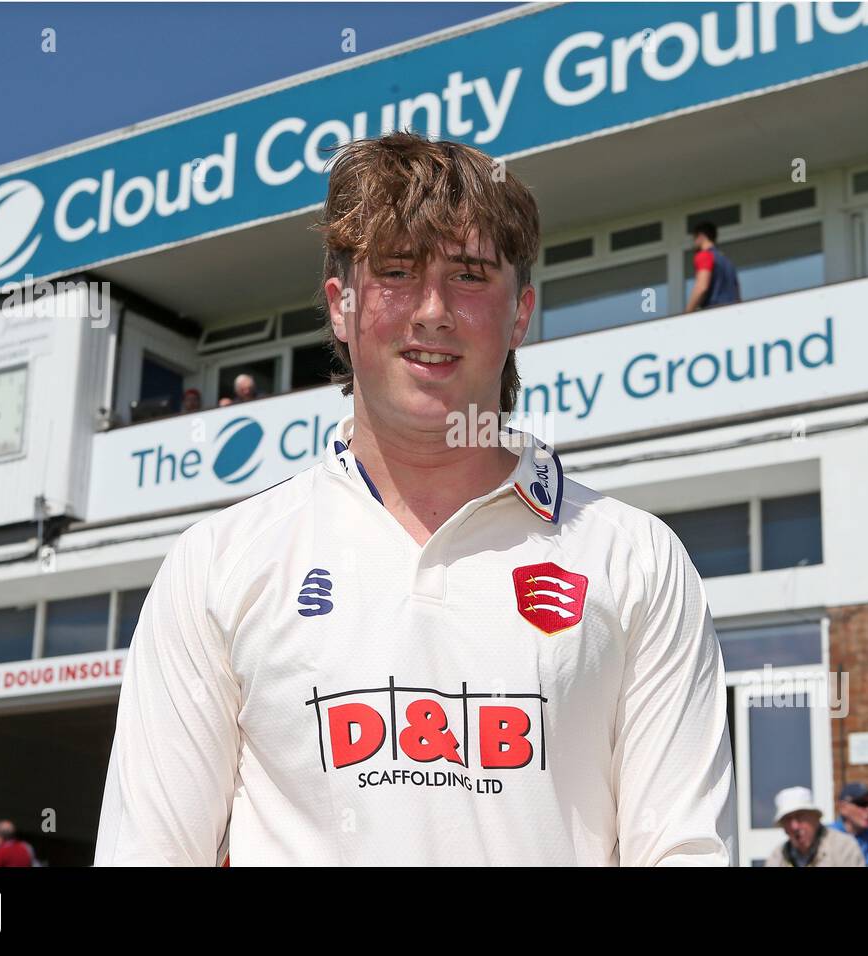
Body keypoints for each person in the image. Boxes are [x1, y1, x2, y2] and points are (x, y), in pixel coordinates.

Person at [95, 131, 736, 867]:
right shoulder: (219, 564)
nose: (432, 310)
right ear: (340, 306)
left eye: (468, 275)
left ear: (520, 313)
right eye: (396, 271)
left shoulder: (635, 558)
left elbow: (686, 853)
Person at [764, 786, 864, 867]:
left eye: (800, 816)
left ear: (815, 818)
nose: (794, 826)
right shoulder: (778, 857)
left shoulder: (844, 848)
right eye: (787, 819)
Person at [684, 221, 741, 312]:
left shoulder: (704, 255)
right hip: (733, 312)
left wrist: (686, 313)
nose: (694, 243)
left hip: (714, 312)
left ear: (701, 236)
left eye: (694, 239)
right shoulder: (728, 262)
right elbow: (737, 294)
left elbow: (701, 287)